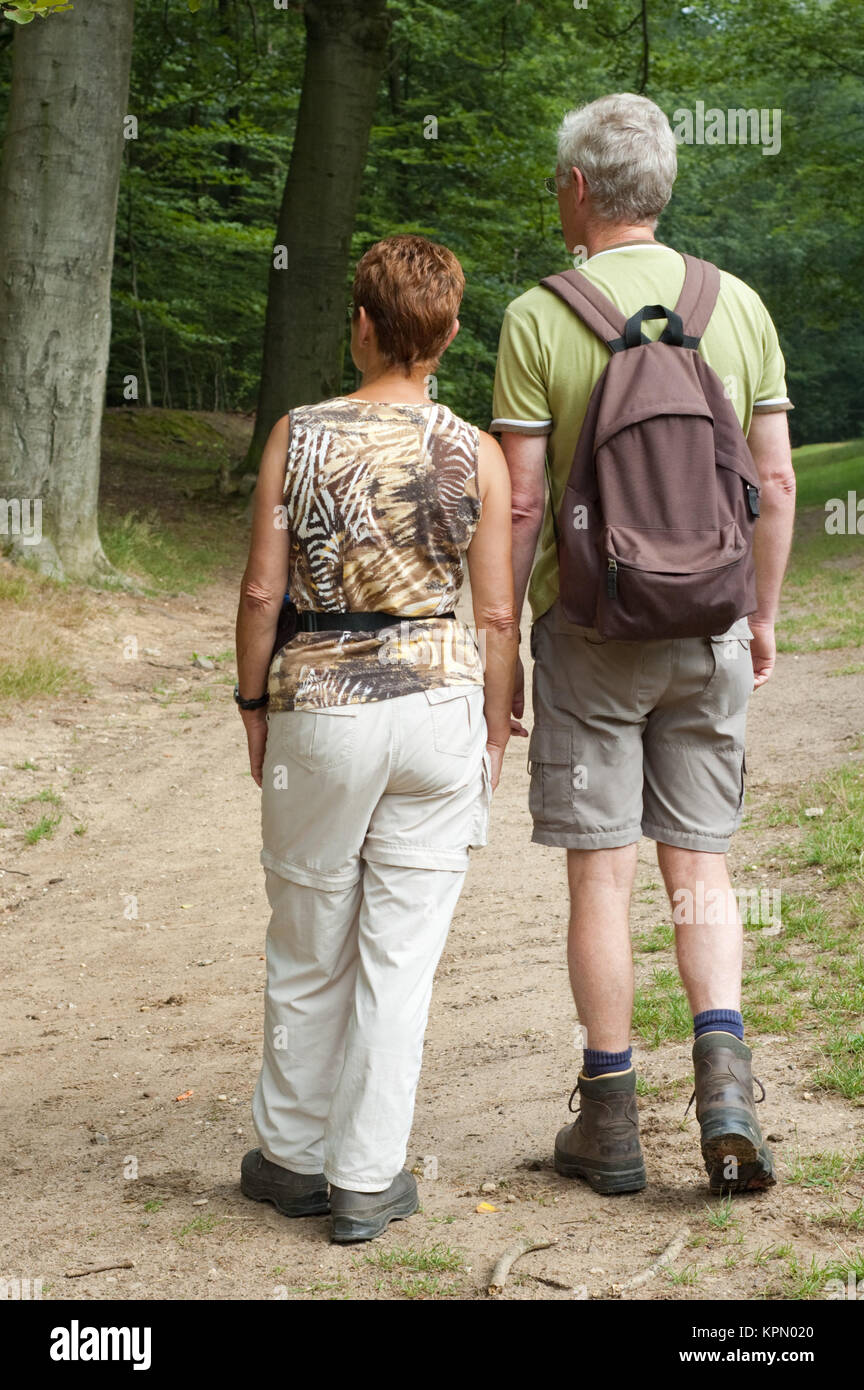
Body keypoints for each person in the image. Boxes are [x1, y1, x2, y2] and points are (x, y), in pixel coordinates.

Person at [492, 93, 796, 1195]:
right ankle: (727, 1092)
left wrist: (502, 641)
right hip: (709, 624)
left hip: (589, 628)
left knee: (602, 878)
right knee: (701, 866)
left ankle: (610, 1122)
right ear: (663, 187)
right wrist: (758, 615)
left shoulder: (539, 314)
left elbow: (521, 506)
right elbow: (773, 481)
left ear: (578, 188)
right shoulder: (738, 305)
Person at [235, 234, 518, 1242]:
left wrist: (253, 703)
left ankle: (292, 1158)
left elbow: (265, 588)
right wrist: (495, 729)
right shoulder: (473, 450)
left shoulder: (297, 435)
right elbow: (495, 616)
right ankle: (366, 1179)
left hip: (325, 705)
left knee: (309, 938)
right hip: (439, 712)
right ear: (443, 336)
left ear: (361, 325)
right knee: (401, 954)